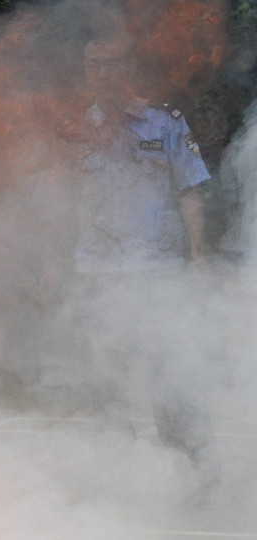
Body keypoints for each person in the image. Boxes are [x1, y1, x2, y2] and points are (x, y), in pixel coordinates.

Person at [64, 27, 221, 504]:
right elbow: (66, 198)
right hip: (98, 272)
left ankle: (198, 478)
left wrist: (198, 255)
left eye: (110, 64)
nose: (102, 73)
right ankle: (119, 480)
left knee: (169, 379)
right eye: (94, 66)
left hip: (157, 270)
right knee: (106, 385)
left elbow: (190, 191)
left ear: (127, 68)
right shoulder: (76, 127)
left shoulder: (165, 122)